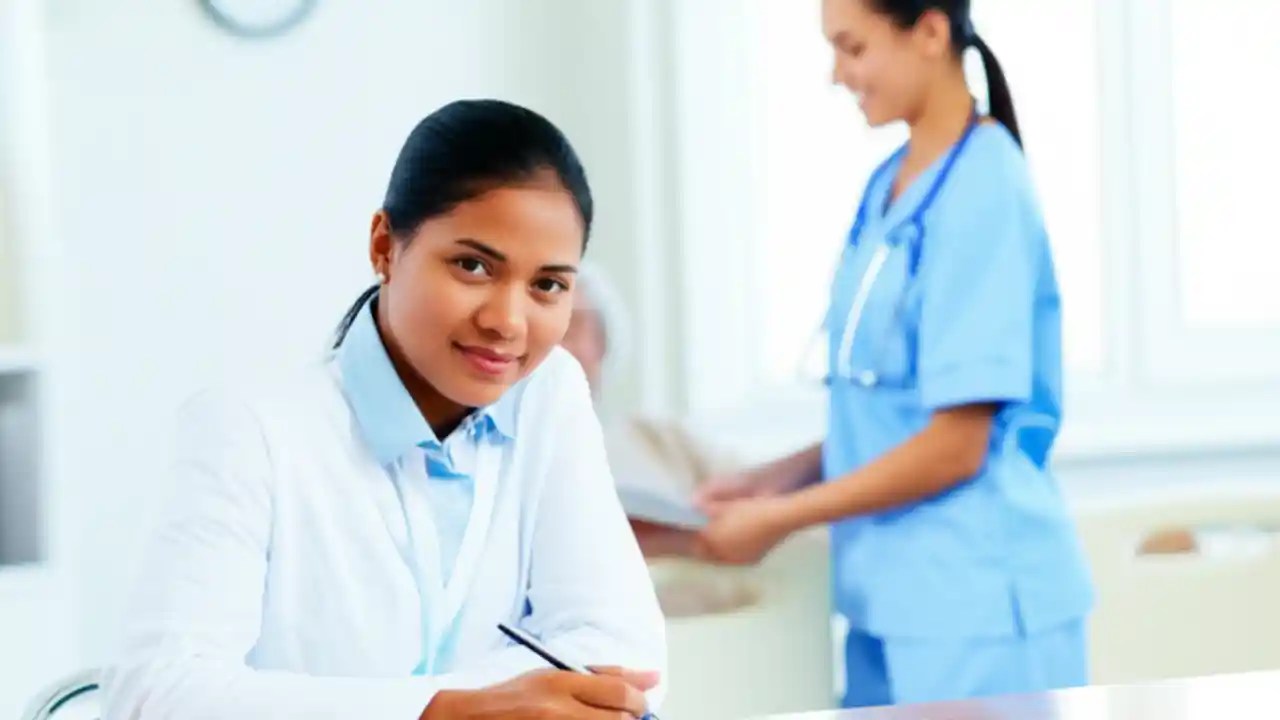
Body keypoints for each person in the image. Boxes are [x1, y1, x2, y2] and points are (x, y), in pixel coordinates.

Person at [103, 99, 666, 720]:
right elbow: (156, 695)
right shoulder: (249, 429)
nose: (507, 321)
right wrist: (444, 711)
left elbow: (623, 655)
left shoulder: (548, 393)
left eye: (548, 285)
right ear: (384, 247)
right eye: (472, 266)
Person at [694, 0, 1094, 708]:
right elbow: (884, 409)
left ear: (932, 32)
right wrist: (768, 483)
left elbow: (955, 447)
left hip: (975, 603)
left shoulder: (985, 187)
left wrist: (779, 520)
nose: (837, 74)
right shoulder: (889, 184)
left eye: (852, 48)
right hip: (889, 599)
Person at [560, 263, 719, 559]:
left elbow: (764, 494)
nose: (556, 349)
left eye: (571, 327)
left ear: (602, 344)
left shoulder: (659, 439)